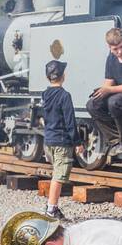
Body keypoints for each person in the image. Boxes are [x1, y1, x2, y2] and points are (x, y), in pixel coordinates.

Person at [86, 29, 122, 152]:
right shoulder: (111, 58)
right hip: (119, 94)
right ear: (109, 47)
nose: (119, 52)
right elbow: (109, 82)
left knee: (114, 102)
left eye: (121, 47)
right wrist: (102, 91)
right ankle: (115, 140)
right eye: (115, 49)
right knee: (93, 104)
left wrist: (109, 90)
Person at [41, 58, 78, 221]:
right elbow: (70, 120)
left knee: (56, 174)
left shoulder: (45, 94)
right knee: (58, 177)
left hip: (48, 141)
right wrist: (77, 142)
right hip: (62, 142)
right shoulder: (65, 96)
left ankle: (52, 207)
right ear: (63, 75)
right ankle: (51, 210)